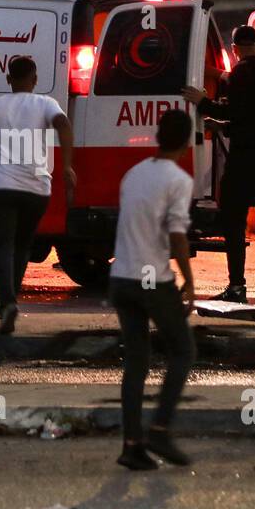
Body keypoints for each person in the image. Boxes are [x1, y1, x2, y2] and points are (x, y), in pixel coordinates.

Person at [109, 108, 197, 471]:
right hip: (152, 281)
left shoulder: (133, 173)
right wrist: (189, 279)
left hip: (122, 279)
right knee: (183, 351)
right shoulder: (179, 179)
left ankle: (132, 444)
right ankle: (159, 428)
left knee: (136, 361)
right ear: (187, 140)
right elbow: (176, 235)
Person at [182, 25, 255, 304]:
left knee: (233, 222)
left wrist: (203, 103)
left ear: (234, 49)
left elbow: (234, 111)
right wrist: (223, 125)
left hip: (245, 159)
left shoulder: (239, 75)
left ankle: (237, 286)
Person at [0, 56, 75, 334]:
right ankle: (11, 299)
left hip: (1, 187)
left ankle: (7, 301)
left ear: (8, 79)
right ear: (35, 80)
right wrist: (66, 165)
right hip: (36, 189)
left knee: (3, 246)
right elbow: (64, 125)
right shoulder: (46, 103)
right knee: (22, 245)